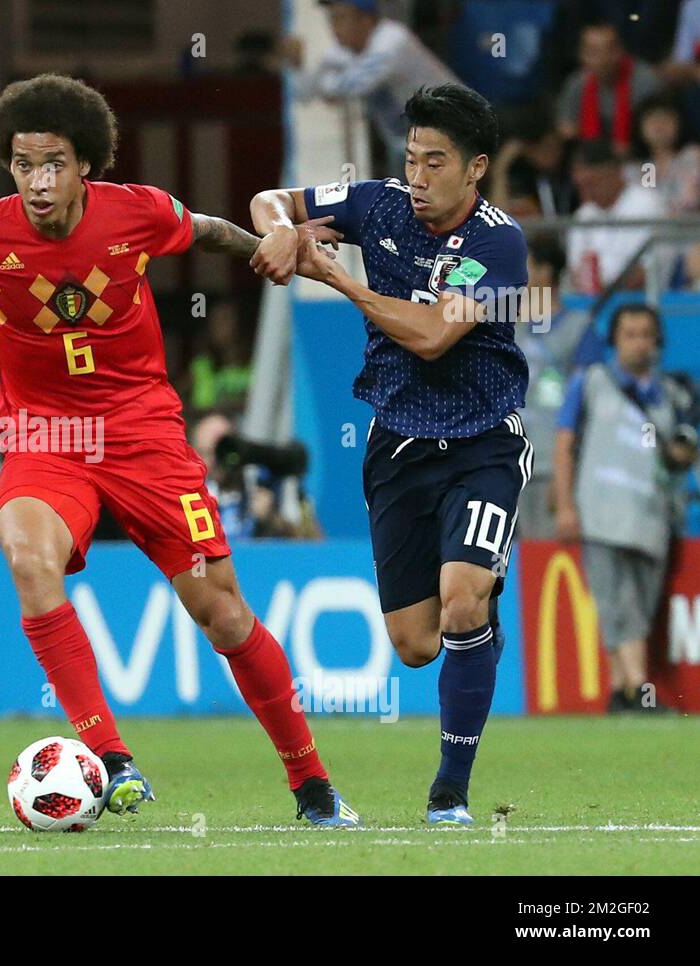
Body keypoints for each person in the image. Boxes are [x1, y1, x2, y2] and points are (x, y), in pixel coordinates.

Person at [0, 73, 360, 826]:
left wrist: (273, 245)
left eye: (54, 164)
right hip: (45, 437)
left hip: (143, 435)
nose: (38, 183)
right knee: (29, 559)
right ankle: (110, 758)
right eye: (22, 164)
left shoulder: (135, 213)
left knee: (224, 615)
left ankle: (313, 785)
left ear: (86, 165)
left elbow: (205, 228)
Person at [251, 83, 529, 826]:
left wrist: (336, 278)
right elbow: (270, 198)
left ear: (474, 169)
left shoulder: (499, 243)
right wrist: (282, 230)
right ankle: (480, 627)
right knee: (414, 645)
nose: (417, 176)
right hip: (398, 446)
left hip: (482, 442)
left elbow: (435, 334)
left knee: (465, 594)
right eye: (410, 158)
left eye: (434, 162)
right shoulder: (375, 203)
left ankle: (450, 794)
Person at [552, 304, 698, 712]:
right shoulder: (592, 381)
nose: (638, 343)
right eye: (629, 334)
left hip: (651, 517)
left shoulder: (670, 394)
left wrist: (680, 451)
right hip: (601, 511)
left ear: (658, 341)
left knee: (640, 607)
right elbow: (565, 443)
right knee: (618, 604)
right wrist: (565, 505)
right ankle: (638, 688)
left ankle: (620, 691)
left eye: (646, 335)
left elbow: (677, 455)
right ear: (614, 340)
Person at [281, 0, 457, 177]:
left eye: (340, 18)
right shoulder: (345, 51)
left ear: (366, 19)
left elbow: (351, 86)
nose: (334, 28)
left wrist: (330, 87)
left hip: (453, 134)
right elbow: (305, 94)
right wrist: (297, 65)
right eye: (331, 19)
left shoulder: (391, 41)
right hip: (411, 144)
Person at [514, 234, 604, 539]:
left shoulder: (580, 329)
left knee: (544, 565)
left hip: (549, 468)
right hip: (505, 466)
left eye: (523, 263)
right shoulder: (507, 327)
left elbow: (589, 407)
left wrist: (567, 476)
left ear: (544, 271)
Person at [566, 138, 669, 293]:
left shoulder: (647, 204)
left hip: (641, 298)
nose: (585, 193)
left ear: (613, 173)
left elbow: (648, 269)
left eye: (591, 184)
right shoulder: (584, 215)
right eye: (580, 186)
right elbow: (576, 270)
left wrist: (606, 295)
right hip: (593, 300)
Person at [556, 20, 662, 155]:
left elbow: (659, 134)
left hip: (640, 157)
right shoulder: (576, 84)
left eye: (610, 50)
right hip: (592, 162)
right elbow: (567, 131)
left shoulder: (646, 81)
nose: (603, 59)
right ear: (581, 55)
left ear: (621, 50)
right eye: (593, 52)